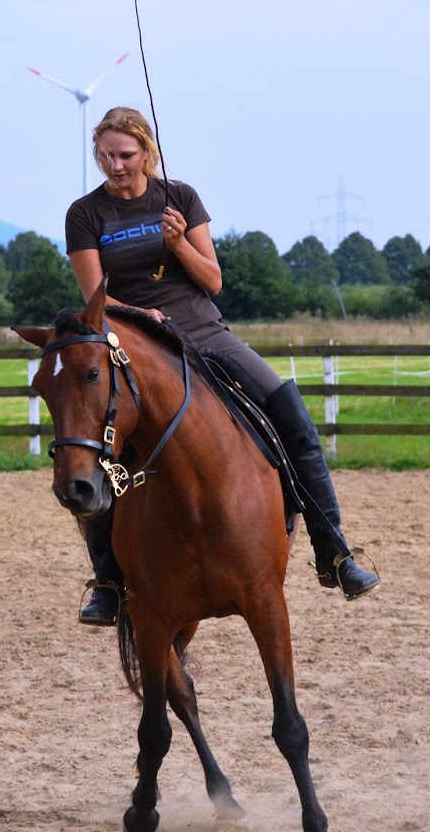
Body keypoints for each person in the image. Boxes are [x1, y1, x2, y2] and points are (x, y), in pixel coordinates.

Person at [63, 106, 381, 627]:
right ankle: (107, 582)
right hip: (136, 342)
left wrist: (179, 243)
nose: (115, 166)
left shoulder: (180, 198)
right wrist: (141, 314)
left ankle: (335, 552)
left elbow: (212, 281)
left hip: (204, 330)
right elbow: (96, 298)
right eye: (105, 156)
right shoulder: (84, 214)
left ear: (147, 151)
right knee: (98, 445)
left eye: (125, 155)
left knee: (289, 410)